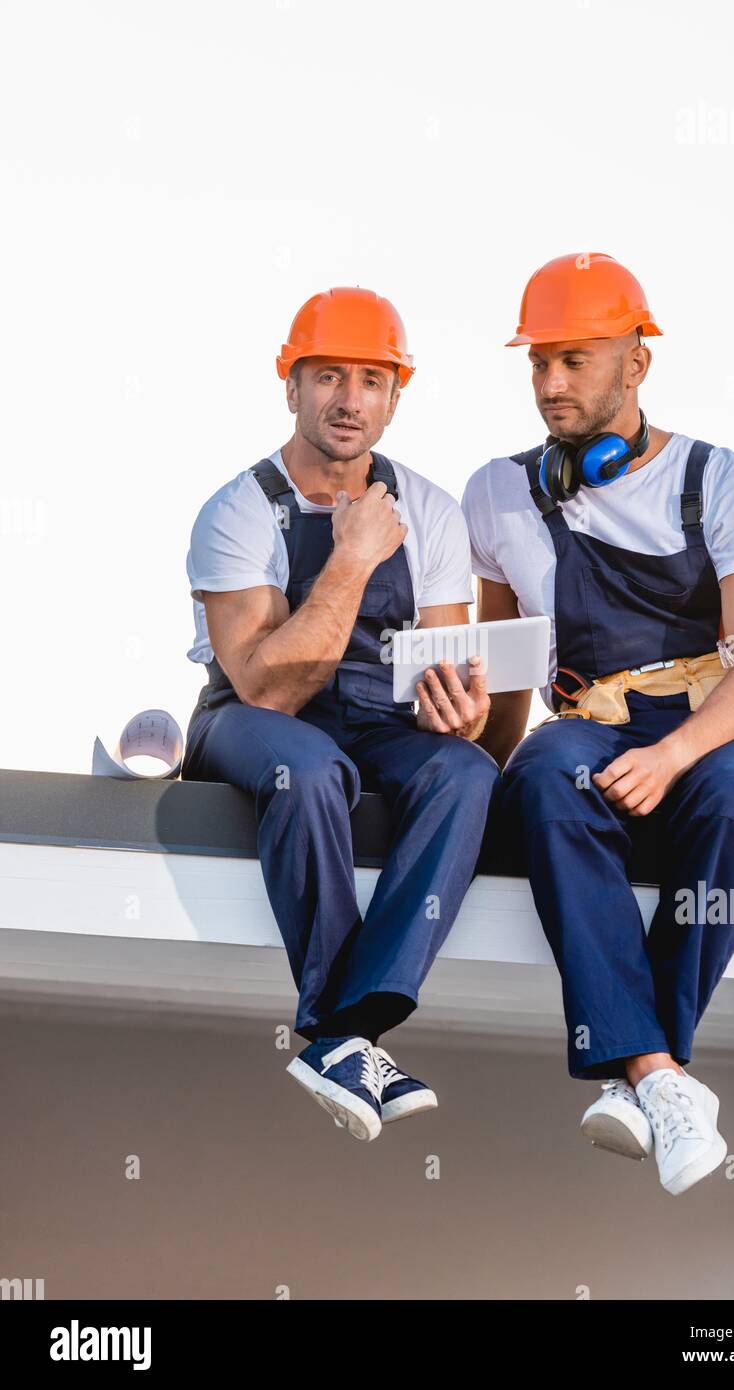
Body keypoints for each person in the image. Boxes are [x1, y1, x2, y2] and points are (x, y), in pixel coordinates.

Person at [461, 253, 734, 1195]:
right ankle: (660, 1077)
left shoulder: (720, 480)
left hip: (722, 724)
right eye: (539, 362)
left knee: (733, 805)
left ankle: (637, 1071)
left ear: (636, 364)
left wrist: (673, 755)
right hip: (591, 722)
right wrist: (466, 776)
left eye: (574, 360)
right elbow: (508, 676)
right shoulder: (496, 492)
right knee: (541, 774)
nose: (550, 383)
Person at [182, 286, 498, 1143]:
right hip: (248, 720)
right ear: (290, 385)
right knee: (310, 768)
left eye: (371, 380)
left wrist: (456, 713)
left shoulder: (430, 511)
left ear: (396, 395)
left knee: (466, 773)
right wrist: (353, 556)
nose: (349, 399)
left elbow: (439, 668)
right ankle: (337, 1029)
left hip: (378, 717)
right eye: (327, 376)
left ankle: (348, 1033)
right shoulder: (239, 510)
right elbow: (268, 688)